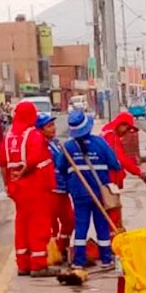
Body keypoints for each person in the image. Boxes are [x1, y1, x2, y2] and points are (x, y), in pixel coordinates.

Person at [55, 108, 122, 270]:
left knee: (81, 225)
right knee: (102, 225)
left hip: (78, 192)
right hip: (99, 192)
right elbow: (115, 164)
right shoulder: (100, 143)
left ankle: (79, 261)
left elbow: (60, 167)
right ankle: (106, 259)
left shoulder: (68, 147)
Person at [0, 100, 57, 277]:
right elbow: (32, 160)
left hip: (17, 188)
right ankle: (38, 265)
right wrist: (23, 172)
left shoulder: (8, 136)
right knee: (39, 224)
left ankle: (23, 264)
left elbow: (3, 163)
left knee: (22, 224)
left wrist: (8, 184)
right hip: (35, 185)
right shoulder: (33, 135)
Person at [101, 111, 146, 231]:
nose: (127, 132)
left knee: (111, 215)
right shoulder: (111, 137)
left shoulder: (108, 134)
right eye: (127, 128)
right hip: (109, 182)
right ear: (121, 124)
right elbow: (121, 159)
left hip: (108, 181)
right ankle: (113, 243)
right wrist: (138, 172)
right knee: (113, 216)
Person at [37, 112, 74, 262]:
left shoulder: (57, 143)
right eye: (49, 126)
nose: (53, 128)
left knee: (69, 221)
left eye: (53, 125)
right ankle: (51, 253)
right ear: (41, 129)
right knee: (52, 225)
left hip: (63, 188)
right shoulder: (40, 145)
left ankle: (61, 247)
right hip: (50, 190)